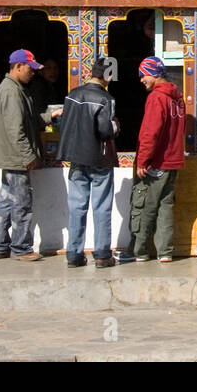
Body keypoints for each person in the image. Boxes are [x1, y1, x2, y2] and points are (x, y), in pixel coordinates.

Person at [57, 57, 120, 268]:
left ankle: (74, 254)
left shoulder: (72, 95)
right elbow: (105, 130)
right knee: (101, 207)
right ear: (108, 75)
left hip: (76, 159)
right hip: (99, 159)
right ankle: (102, 254)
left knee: (77, 206)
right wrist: (116, 126)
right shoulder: (106, 99)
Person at [0, 49, 46, 261]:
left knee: (5, 201)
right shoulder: (12, 92)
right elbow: (16, 129)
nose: (33, 73)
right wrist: (28, 156)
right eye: (30, 69)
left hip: (10, 157)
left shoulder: (15, 89)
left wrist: (49, 116)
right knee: (21, 202)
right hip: (16, 159)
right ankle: (21, 247)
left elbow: (28, 120)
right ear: (18, 66)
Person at [126, 57, 186, 263]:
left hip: (156, 163)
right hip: (172, 162)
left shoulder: (157, 98)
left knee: (145, 206)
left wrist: (143, 160)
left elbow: (150, 133)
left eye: (144, 74)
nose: (141, 79)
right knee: (165, 206)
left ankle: (139, 251)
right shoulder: (177, 98)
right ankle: (165, 252)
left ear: (154, 73)